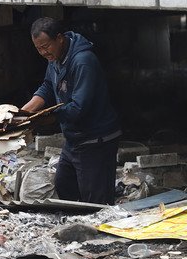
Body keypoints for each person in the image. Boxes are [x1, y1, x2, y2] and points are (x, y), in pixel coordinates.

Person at [21, 17, 121, 205]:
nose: (43, 52)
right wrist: (22, 114)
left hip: (95, 139)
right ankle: (79, 224)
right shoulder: (55, 57)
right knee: (64, 184)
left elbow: (78, 109)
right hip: (74, 138)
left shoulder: (83, 61)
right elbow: (48, 86)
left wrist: (40, 120)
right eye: (38, 49)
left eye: (46, 46)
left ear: (59, 38)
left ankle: (98, 228)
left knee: (96, 202)